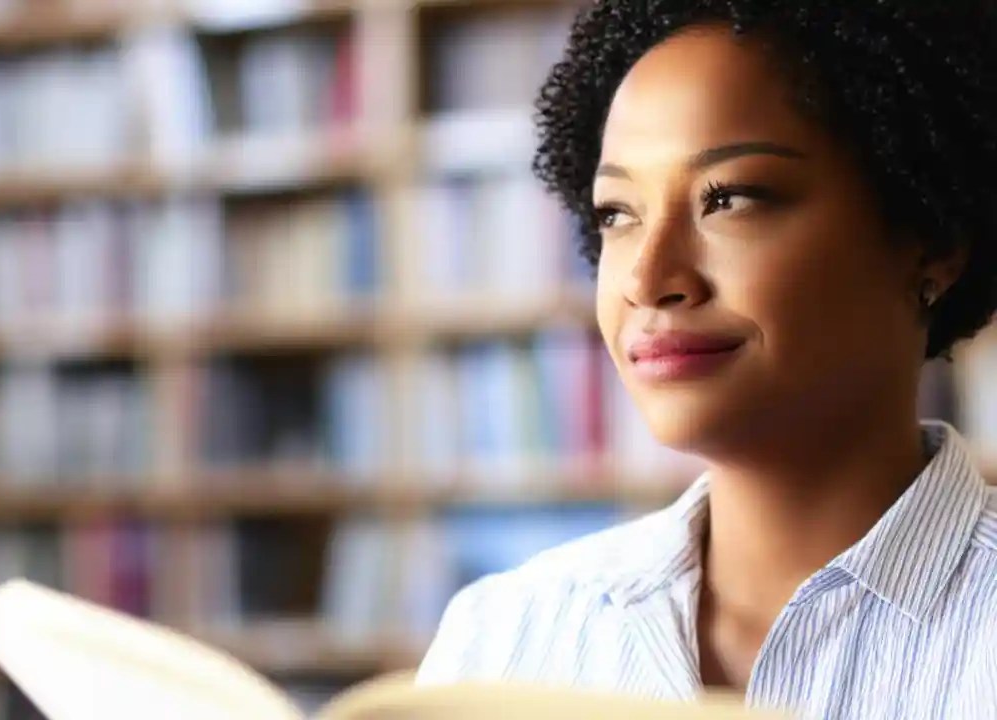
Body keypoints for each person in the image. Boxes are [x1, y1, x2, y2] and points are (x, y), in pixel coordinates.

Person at [416, 2, 997, 718]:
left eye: (730, 199)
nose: (647, 278)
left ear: (930, 238)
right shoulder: (505, 637)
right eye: (616, 215)